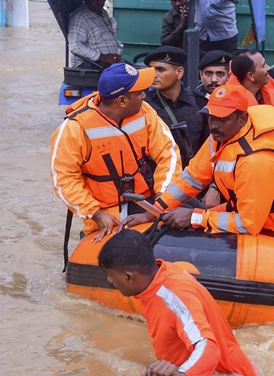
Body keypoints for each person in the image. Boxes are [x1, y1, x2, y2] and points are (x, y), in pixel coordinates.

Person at [140, 85, 274, 240]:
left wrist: (194, 217)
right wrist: (153, 211)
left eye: (223, 119)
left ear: (242, 119)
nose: (214, 125)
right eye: (211, 117)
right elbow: (192, 178)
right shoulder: (222, 135)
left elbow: (248, 224)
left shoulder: (257, 160)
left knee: (200, 222)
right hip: (255, 210)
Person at [98, 231, 258, 376]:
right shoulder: (164, 273)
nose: (109, 280)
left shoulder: (173, 298)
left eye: (110, 275)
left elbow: (208, 346)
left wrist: (183, 375)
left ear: (129, 277)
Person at [50, 63, 180, 243]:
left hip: (144, 202)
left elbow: (169, 153)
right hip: (103, 212)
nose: (144, 96)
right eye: (139, 93)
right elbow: (64, 179)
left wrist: (161, 199)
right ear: (122, 101)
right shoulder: (74, 128)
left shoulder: (145, 111)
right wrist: (95, 214)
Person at [144, 46, 209, 167]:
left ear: (179, 72)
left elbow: (209, 145)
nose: (154, 75)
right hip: (160, 174)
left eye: (161, 70)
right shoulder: (144, 105)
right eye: (151, 70)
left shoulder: (199, 102)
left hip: (195, 173)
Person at [229, 50, 274, 140]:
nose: (269, 68)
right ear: (251, 76)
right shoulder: (234, 109)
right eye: (263, 66)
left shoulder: (269, 92)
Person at [68, 0, 123, 68]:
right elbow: (75, 46)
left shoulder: (103, 12)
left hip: (109, 62)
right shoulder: (79, 18)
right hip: (92, 65)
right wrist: (102, 57)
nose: (100, 1)